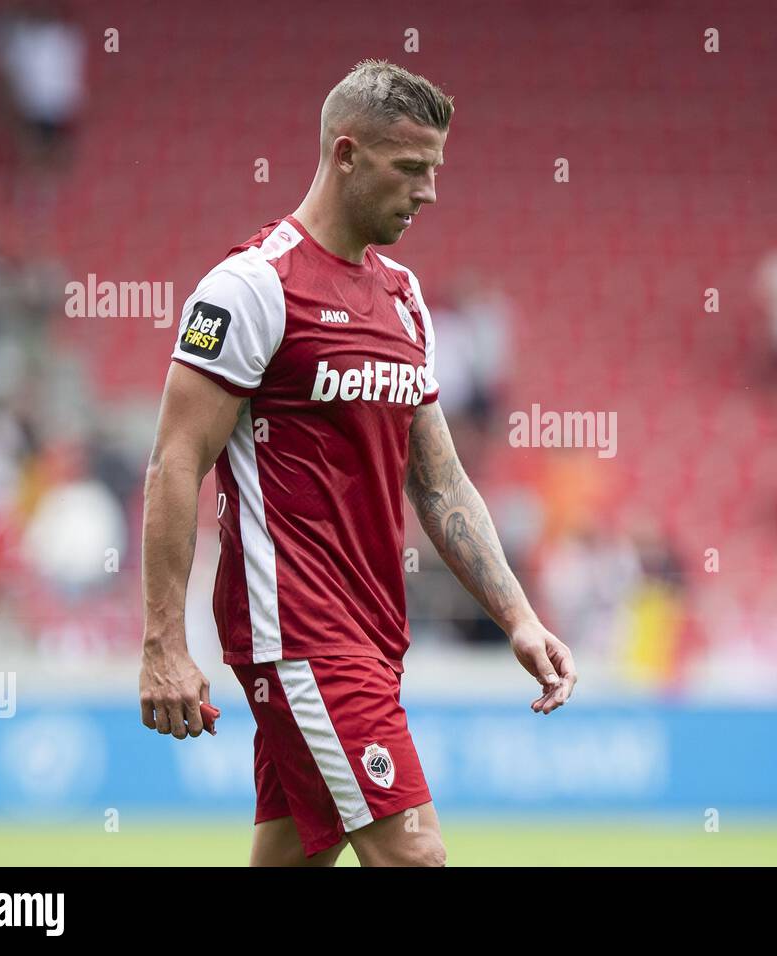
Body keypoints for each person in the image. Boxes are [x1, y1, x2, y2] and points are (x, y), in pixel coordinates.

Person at [137, 60, 577, 867]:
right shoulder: (252, 287)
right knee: (416, 855)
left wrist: (517, 616)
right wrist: (164, 641)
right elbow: (174, 463)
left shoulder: (406, 299)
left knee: (290, 856)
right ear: (344, 156)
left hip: (374, 631)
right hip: (297, 629)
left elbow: (439, 480)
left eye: (436, 169)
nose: (430, 191)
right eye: (411, 168)